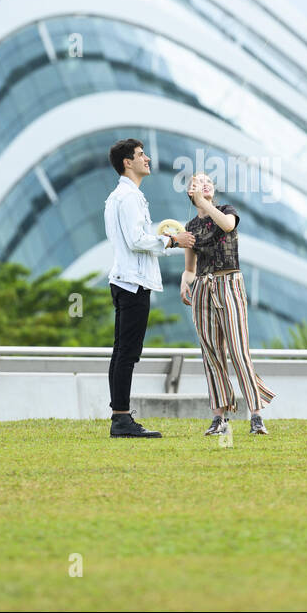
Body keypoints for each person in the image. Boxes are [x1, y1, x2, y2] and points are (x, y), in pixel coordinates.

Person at [104, 138, 196, 438]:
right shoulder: (128, 198)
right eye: (141, 155)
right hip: (132, 283)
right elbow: (136, 240)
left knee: (122, 352)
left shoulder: (119, 197)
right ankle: (121, 419)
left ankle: (120, 416)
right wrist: (172, 241)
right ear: (127, 162)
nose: (147, 159)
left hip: (125, 279)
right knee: (127, 353)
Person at [179, 172, 276, 436]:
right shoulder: (189, 227)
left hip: (229, 283)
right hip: (203, 288)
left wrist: (205, 202)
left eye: (208, 181)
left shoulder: (226, 210)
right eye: (197, 182)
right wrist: (184, 281)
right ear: (189, 192)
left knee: (238, 350)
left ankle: (255, 415)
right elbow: (190, 267)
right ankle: (219, 417)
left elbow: (228, 226)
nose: (205, 184)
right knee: (211, 353)